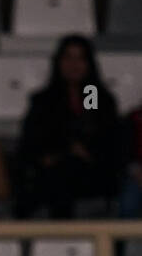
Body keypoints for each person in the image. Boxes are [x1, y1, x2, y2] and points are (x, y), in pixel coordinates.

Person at [15, 34, 123, 219]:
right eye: (68, 58)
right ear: (59, 62)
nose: (74, 65)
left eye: (80, 58)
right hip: (51, 171)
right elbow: (32, 143)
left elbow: (100, 135)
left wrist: (85, 152)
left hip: (90, 173)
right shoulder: (44, 100)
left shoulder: (94, 96)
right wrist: (62, 151)